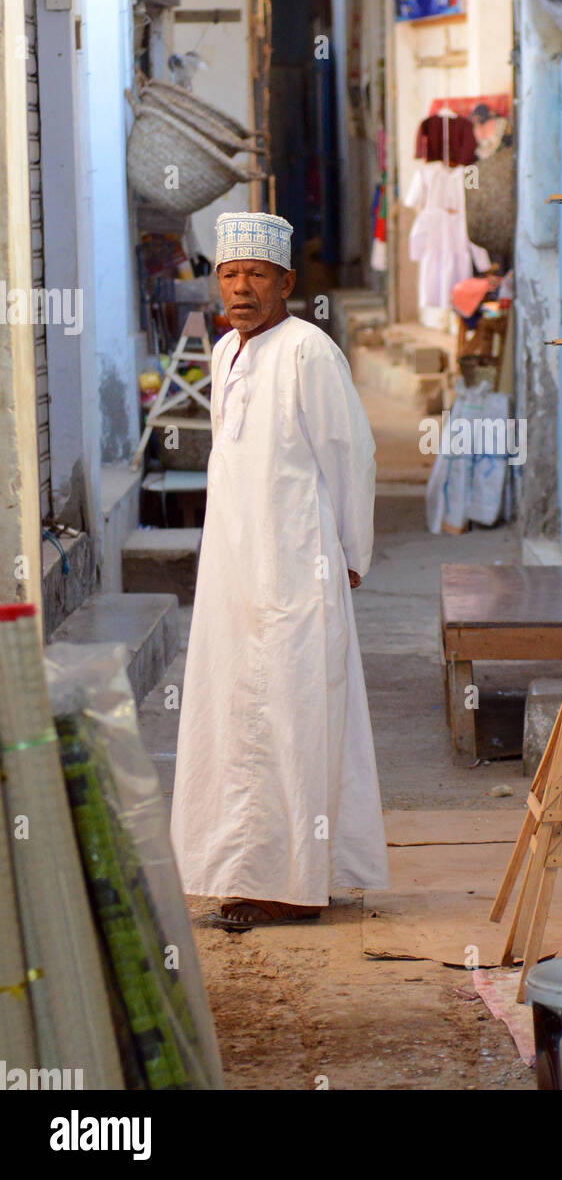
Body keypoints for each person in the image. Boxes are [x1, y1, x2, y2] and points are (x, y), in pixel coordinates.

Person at [170, 211, 389, 927]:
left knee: (294, 718)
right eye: (229, 274)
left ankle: (294, 884)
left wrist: (351, 553)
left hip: (299, 572)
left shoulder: (308, 352)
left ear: (286, 282)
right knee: (235, 715)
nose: (240, 288)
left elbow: (350, 457)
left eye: (255, 275)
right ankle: (247, 867)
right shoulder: (225, 355)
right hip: (234, 575)